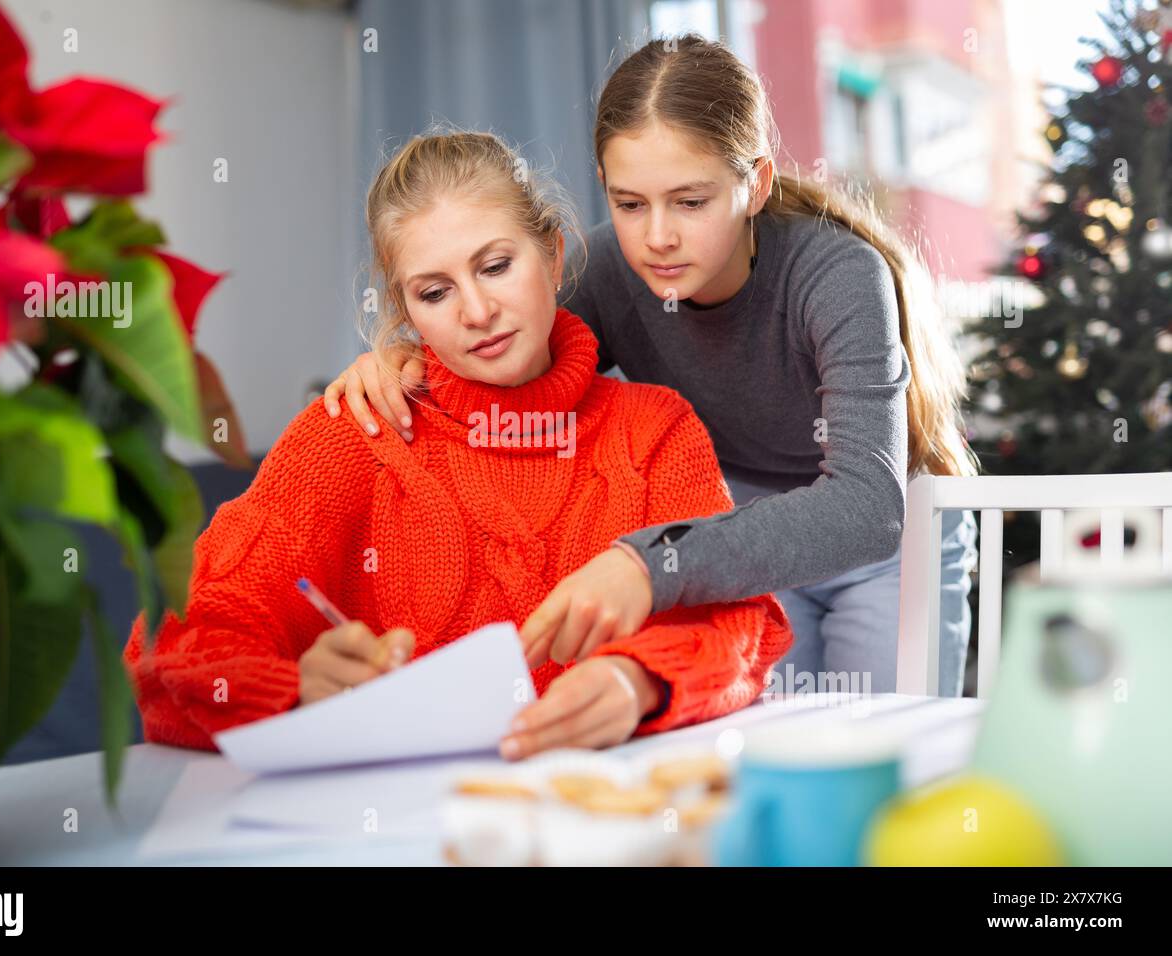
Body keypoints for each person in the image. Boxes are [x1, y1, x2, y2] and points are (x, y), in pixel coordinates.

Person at [326, 35, 980, 697]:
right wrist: (405, 364)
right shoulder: (613, 272)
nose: (657, 238)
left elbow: (868, 508)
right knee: (772, 760)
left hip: (879, 544)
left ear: (753, 184)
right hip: (740, 544)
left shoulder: (836, 274)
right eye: (630, 204)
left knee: (882, 761)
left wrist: (652, 563)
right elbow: (515, 364)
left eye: (689, 202)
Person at [123, 130, 793, 756]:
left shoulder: (657, 432)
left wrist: (637, 684)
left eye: (496, 265)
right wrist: (296, 691)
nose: (475, 312)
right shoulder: (351, 432)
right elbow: (175, 644)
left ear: (555, 256)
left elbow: (739, 623)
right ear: (405, 309)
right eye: (435, 291)